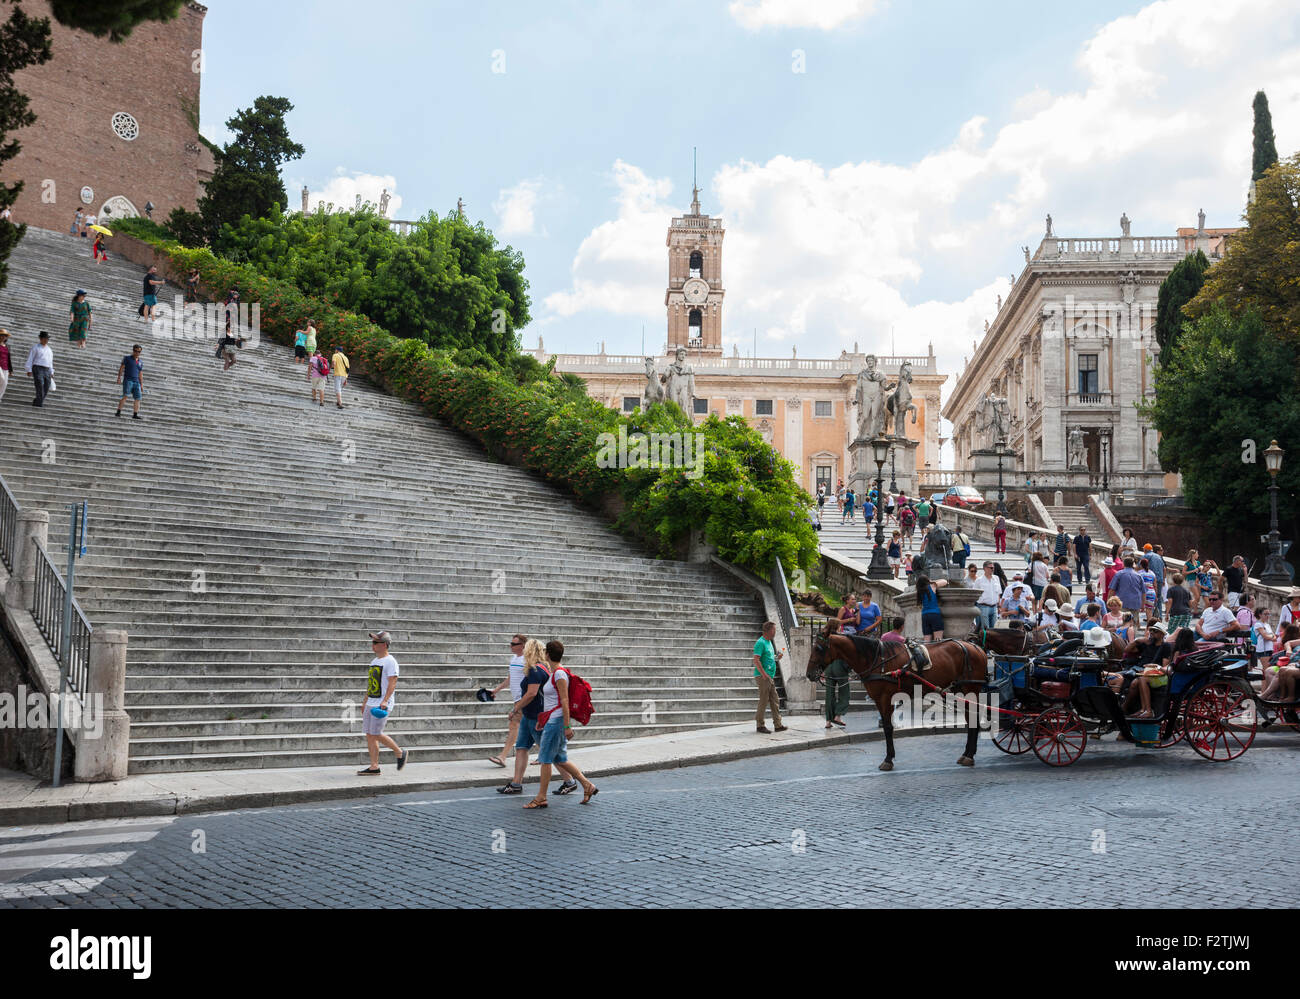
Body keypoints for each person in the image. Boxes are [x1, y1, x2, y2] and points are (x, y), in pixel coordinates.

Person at [525, 640, 599, 808]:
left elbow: (564, 701)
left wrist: (566, 726)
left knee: (545, 760)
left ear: (548, 654)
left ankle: (541, 797)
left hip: (557, 722)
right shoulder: (556, 673)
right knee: (560, 759)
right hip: (552, 720)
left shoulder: (559, 674)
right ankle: (587, 785)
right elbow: (554, 702)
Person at [499, 638, 551, 795]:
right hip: (529, 715)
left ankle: (574, 780)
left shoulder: (535, 670)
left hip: (536, 717)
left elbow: (531, 694)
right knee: (521, 748)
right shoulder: (535, 668)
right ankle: (516, 783)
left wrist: (516, 708)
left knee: (551, 753)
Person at [356, 631, 409, 775]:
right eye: (372, 642)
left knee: (376, 733)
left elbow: (393, 682)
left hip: (382, 704)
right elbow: (372, 684)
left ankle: (399, 752)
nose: (372, 645)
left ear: (384, 645)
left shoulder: (390, 661)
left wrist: (385, 701)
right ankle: (374, 766)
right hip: (371, 702)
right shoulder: (374, 662)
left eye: (375, 643)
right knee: (369, 734)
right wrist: (365, 701)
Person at [488, 634, 529, 769]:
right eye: (511, 643)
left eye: (513, 644)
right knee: (532, 728)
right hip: (518, 698)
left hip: (524, 699)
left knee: (514, 725)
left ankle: (503, 756)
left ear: (522, 645)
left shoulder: (527, 660)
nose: (510, 646)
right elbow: (510, 679)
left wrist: (524, 700)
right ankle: (545, 756)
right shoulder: (514, 658)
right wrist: (497, 690)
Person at [1123, 621, 1172, 718]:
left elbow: (1164, 666)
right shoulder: (1147, 644)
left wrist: (1149, 669)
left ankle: (1127, 707)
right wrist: (1137, 641)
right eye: (1151, 630)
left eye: (1155, 631)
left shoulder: (1165, 646)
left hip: (1153, 673)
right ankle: (1138, 709)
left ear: (1162, 634)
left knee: (1135, 683)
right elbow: (1127, 650)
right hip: (1138, 669)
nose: (1152, 633)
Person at [752, 621, 787, 734]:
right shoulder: (760, 643)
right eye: (774, 630)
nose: (775, 632)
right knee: (764, 700)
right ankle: (760, 725)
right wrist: (763, 674)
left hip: (769, 676)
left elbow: (770, 659)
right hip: (763, 676)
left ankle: (778, 724)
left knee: (774, 700)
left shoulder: (769, 642)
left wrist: (778, 658)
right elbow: (756, 660)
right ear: (769, 630)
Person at [1111, 557, 1146, 624]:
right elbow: (1143, 592)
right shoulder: (1138, 575)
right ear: (1133, 564)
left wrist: (1109, 602)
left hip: (1122, 603)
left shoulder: (1119, 574)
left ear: (1124, 564)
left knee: (1122, 623)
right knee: (1133, 623)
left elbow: (1112, 590)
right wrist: (1142, 605)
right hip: (1135, 603)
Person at [114, 344, 145, 420]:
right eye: (136, 351)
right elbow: (121, 368)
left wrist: (141, 384)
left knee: (138, 398)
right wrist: (119, 377)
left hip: (136, 382)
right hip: (128, 380)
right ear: (133, 350)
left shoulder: (140, 362)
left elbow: (140, 373)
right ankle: (118, 411)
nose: (137, 353)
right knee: (125, 395)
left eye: (139, 352)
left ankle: (135, 414)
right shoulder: (127, 358)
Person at [24, 331, 54, 407]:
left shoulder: (49, 350)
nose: (46, 340)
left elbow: (50, 362)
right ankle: (39, 403)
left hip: (47, 369)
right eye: (44, 338)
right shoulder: (35, 347)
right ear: (40, 339)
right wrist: (29, 369)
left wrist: (51, 371)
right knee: (39, 384)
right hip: (37, 367)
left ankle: (37, 400)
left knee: (47, 386)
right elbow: (30, 358)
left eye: (47, 339)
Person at [916, 574, 948, 641]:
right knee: (938, 640)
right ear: (927, 581)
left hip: (924, 615)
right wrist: (932, 581)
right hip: (934, 614)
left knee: (926, 641)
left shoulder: (919, 591)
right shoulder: (932, 586)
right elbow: (945, 581)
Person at [974, 563, 1002, 630]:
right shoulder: (979, 580)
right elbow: (975, 594)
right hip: (983, 606)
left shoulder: (996, 578)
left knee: (994, 629)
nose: (992, 569)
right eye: (991, 568)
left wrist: (999, 606)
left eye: (993, 568)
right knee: (985, 629)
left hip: (994, 606)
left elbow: (998, 593)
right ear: (985, 568)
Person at [331, 344, 350, 409]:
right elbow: (347, 369)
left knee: (337, 389)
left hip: (338, 374)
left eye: (335, 349)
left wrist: (332, 367)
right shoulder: (346, 358)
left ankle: (340, 403)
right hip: (344, 375)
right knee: (339, 388)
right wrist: (346, 379)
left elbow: (334, 363)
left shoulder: (335, 355)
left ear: (337, 350)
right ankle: (338, 401)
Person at [0, 329, 11, 403]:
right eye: (2, 335)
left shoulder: (7, 346)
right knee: (2, 379)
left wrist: (11, 369)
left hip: (6, 366)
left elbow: (9, 358)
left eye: (5, 336)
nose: (3, 337)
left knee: (5, 383)